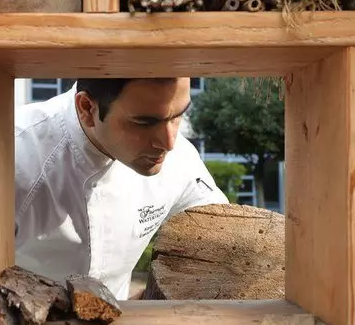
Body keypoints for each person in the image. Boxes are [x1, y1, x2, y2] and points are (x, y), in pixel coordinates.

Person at [13, 77, 228, 300]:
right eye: (144, 123)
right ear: (87, 108)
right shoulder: (15, 155)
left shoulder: (180, 158)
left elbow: (221, 238)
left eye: (177, 116)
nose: (168, 143)